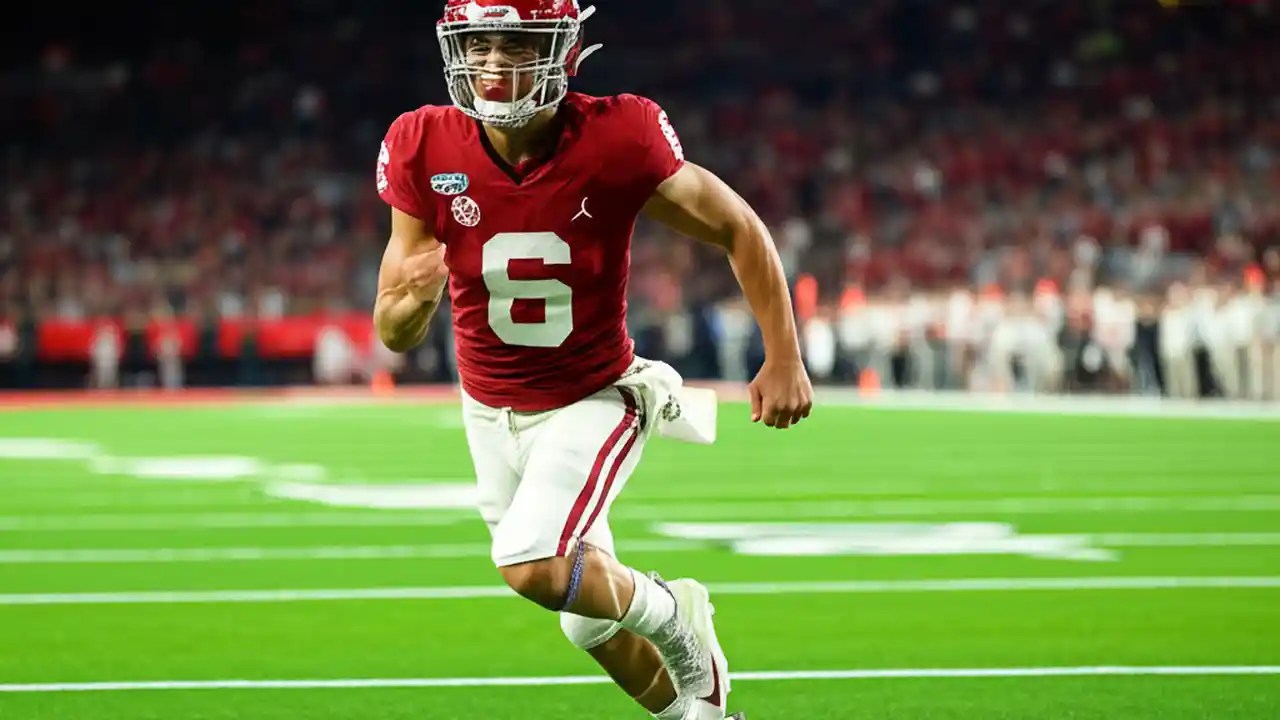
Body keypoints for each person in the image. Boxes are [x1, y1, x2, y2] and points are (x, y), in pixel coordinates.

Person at [371, 2, 812, 719]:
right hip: (487, 409)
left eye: (514, 44)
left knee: (527, 563)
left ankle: (675, 616)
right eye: (477, 43)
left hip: (594, 397)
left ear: (564, 52)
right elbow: (392, 331)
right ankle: (703, 716)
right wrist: (413, 299)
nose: (491, 63)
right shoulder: (422, 143)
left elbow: (737, 224)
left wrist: (783, 354)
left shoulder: (617, 136)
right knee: (584, 617)